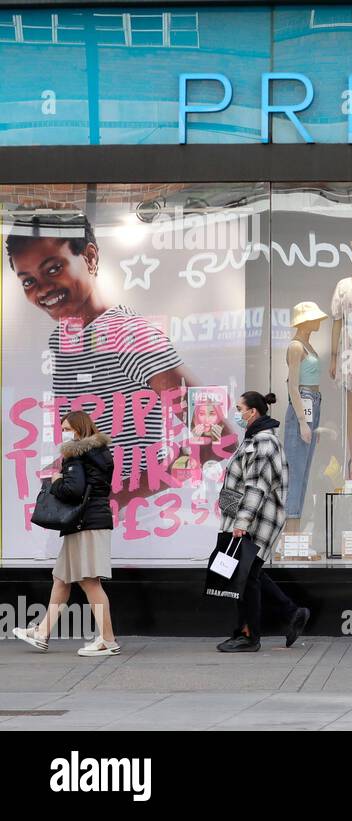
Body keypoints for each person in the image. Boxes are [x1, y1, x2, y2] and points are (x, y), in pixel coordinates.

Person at [7, 213, 208, 493]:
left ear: (90, 257)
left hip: (132, 526)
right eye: (28, 281)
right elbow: (92, 438)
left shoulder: (131, 335)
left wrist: (120, 499)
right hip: (80, 513)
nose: (42, 289)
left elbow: (213, 440)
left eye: (53, 269)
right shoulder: (62, 342)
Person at [11, 411, 119, 656]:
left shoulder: (76, 454)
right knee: (61, 578)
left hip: (85, 523)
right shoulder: (100, 453)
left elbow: (73, 490)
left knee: (90, 581)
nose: (65, 433)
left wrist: (57, 480)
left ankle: (108, 641)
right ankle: (42, 632)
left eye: (68, 428)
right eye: (63, 428)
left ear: (80, 429)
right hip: (88, 522)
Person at [216, 391, 296, 653]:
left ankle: (249, 636)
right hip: (250, 519)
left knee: (246, 577)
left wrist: (240, 522)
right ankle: (291, 614)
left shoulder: (263, 443)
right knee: (250, 574)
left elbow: (255, 488)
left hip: (256, 521)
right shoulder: (254, 440)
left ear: (253, 412)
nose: (237, 414)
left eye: (240, 409)